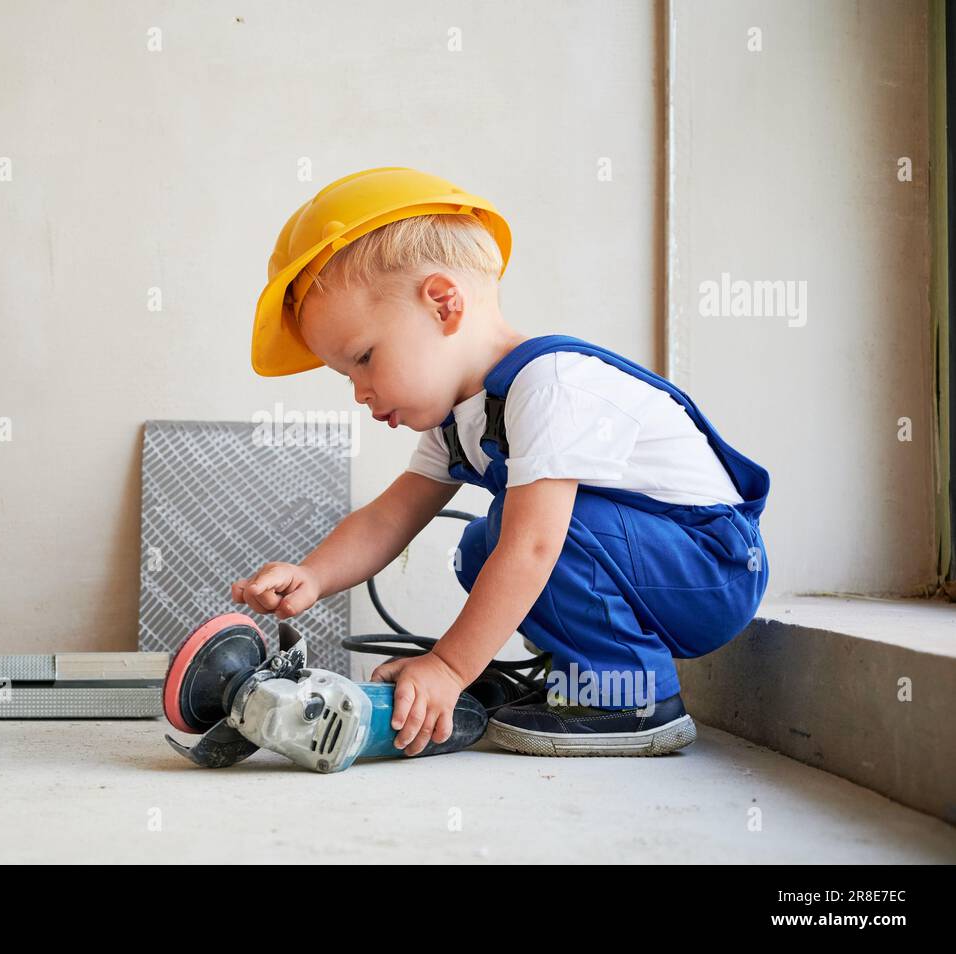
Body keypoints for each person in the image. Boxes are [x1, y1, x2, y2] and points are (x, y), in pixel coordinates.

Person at [232, 167, 770, 758]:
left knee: (525, 533)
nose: (359, 391)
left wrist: (448, 666)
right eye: (347, 374)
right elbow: (388, 519)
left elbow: (537, 548)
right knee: (482, 546)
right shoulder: (461, 419)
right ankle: (585, 680)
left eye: (363, 358)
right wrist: (314, 576)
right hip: (654, 568)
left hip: (710, 570)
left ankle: (638, 699)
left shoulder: (548, 385)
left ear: (442, 304)